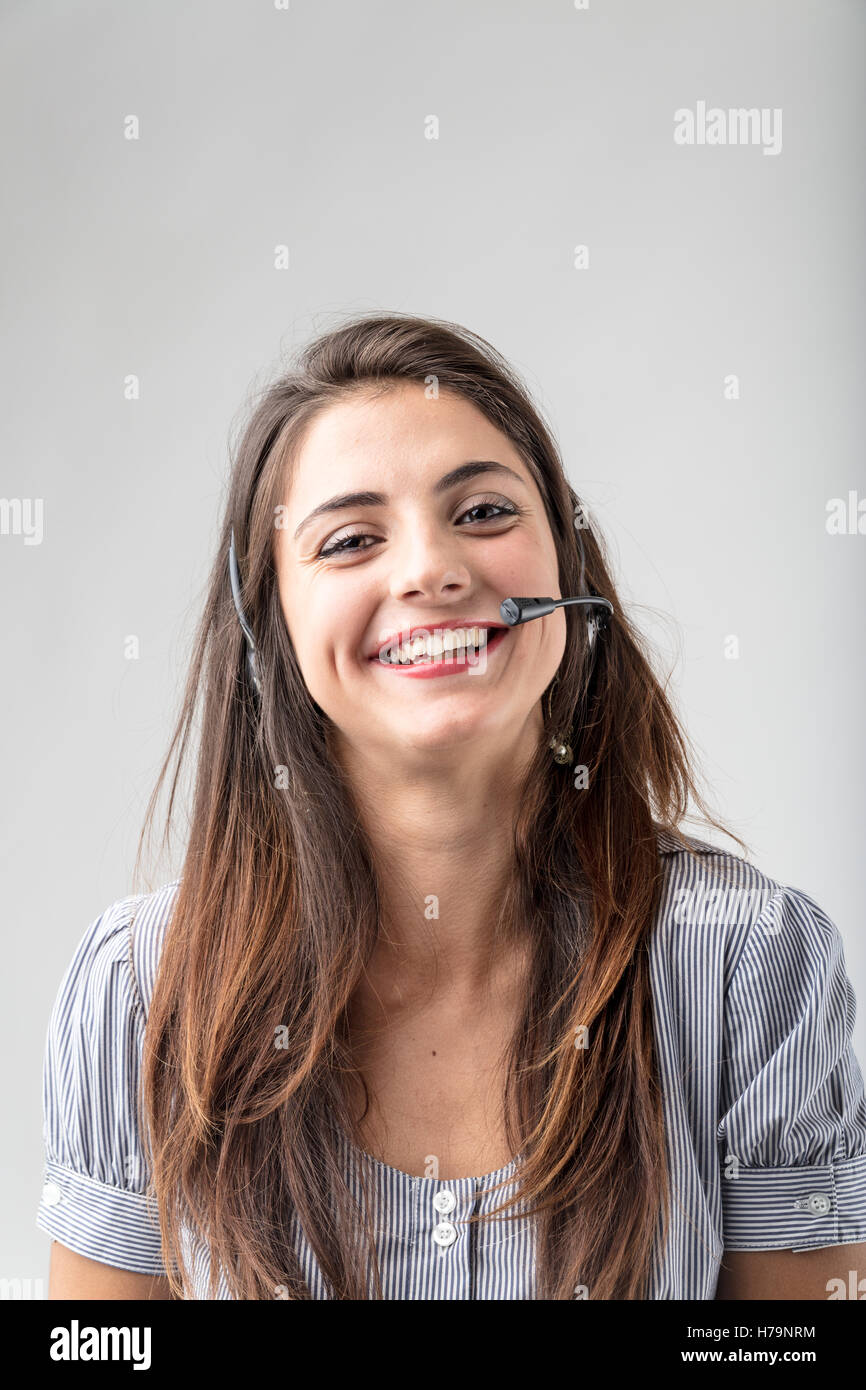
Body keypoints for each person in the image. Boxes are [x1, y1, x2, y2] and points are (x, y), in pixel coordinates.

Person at [37, 313, 866, 1299]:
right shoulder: (141, 994)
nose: (430, 569)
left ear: (564, 567)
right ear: (271, 625)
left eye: (481, 513)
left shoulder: (745, 963)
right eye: (349, 540)